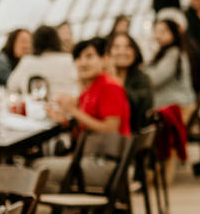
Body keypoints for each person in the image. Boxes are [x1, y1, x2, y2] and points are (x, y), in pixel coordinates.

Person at [36, 38, 131, 191]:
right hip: (92, 156)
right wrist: (65, 121)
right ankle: (69, 208)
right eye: (78, 58)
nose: (82, 62)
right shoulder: (91, 89)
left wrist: (73, 110)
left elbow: (110, 130)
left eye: (89, 56)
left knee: (37, 168)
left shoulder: (110, 88)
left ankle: (67, 210)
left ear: (104, 59)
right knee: (38, 166)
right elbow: (85, 128)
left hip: (106, 163)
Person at [144, 18, 195, 182]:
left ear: (174, 33)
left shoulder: (173, 54)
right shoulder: (166, 53)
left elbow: (155, 78)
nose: (158, 35)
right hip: (172, 104)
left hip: (177, 106)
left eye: (163, 31)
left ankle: (159, 177)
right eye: (156, 31)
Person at [6, 25, 79, 99]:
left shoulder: (28, 61)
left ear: (34, 43)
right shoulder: (69, 60)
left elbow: (11, 86)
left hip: (37, 106)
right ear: (57, 41)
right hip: (67, 106)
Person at [107, 32, 153, 132]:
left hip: (133, 137)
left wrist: (115, 79)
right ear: (108, 53)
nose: (122, 51)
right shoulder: (102, 78)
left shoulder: (143, 79)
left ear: (135, 52)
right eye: (116, 47)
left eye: (128, 47)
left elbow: (139, 113)